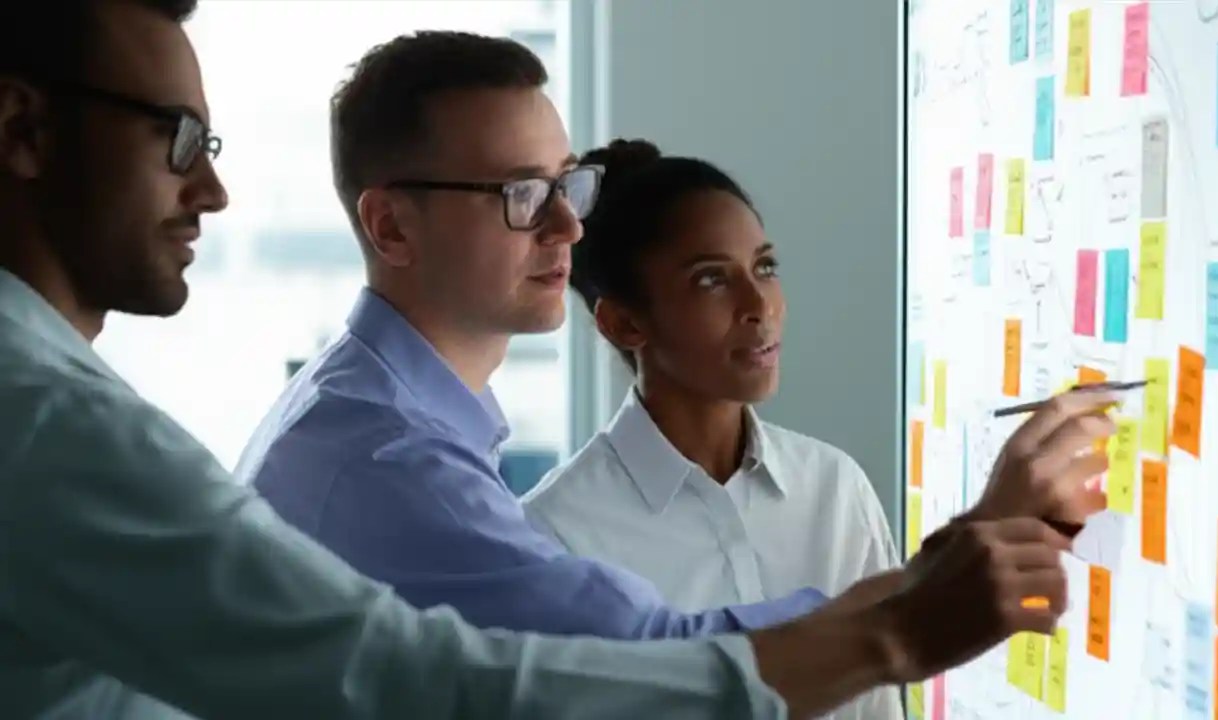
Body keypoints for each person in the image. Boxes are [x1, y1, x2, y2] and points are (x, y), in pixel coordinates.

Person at [0, 2, 1116, 718]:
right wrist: (915, 607)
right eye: (520, 198)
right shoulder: (373, 456)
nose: (568, 231)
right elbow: (520, 680)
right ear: (389, 229)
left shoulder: (394, 424)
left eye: (566, 188)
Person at [519, 139, 899, 720]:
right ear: (624, 322)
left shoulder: (836, 489)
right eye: (711, 280)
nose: (760, 305)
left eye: (765, 267)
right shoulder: (555, 536)